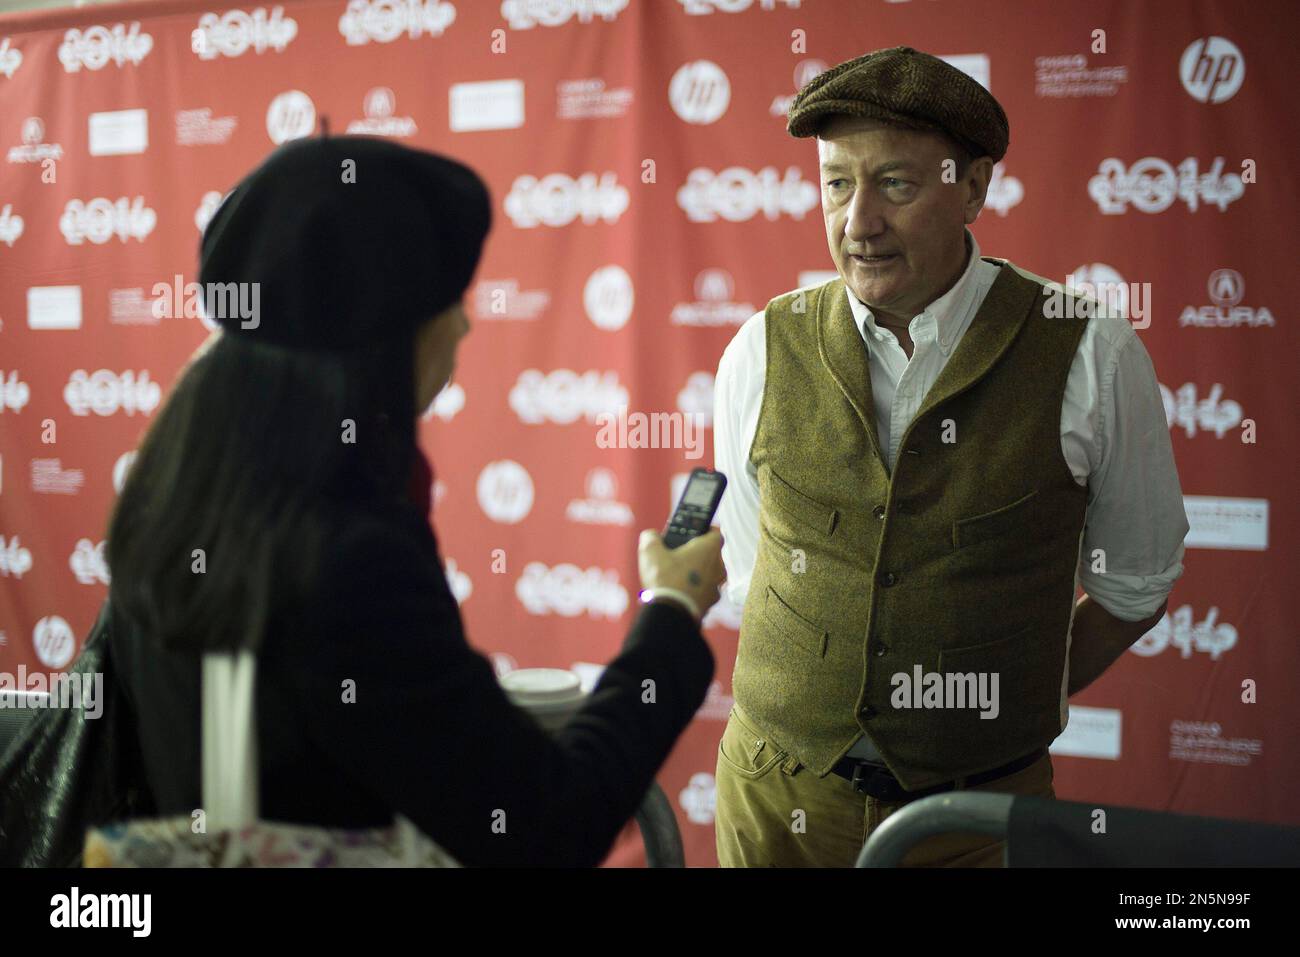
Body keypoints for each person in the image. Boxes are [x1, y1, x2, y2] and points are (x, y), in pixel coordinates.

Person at [105, 136, 725, 868]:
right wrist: (673, 611)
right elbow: (547, 826)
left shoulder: (166, 500)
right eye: (448, 303)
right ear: (385, 342)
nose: (463, 327)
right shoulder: (351, 562)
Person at [711, 47, 1190, 867]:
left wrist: (998, 693)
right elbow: (756, 569)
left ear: (972, 188)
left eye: (895, 183)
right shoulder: (760, 346)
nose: (858, 221)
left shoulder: (1091, 353)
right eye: (835, 183)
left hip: (976, 816)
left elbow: (1135, 581)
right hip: (772, 798)